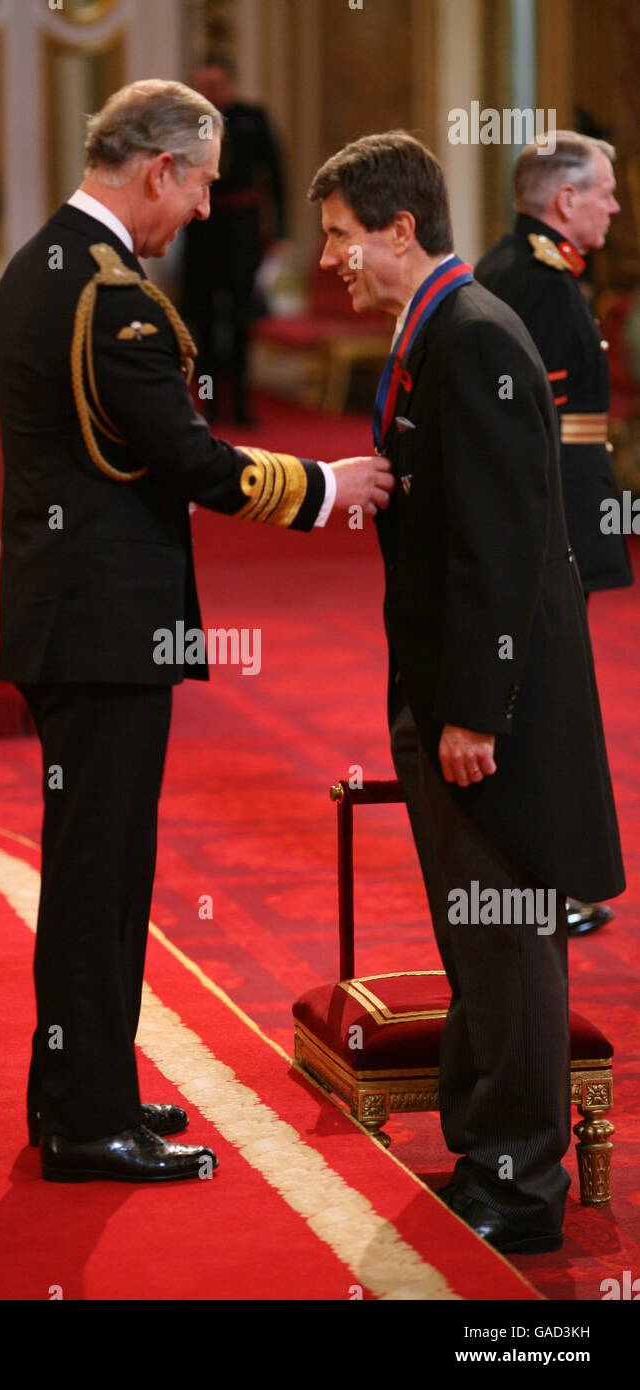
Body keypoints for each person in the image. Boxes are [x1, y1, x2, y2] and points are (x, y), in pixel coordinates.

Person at [0, 80, 393, 1184]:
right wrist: (327, 485)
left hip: (77, 617)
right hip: (102, 630)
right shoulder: (109, 297)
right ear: (158, 168)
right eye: (204, 183)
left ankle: (88, 1090)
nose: (209, 209)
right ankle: (81, 1122)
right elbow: (196, 462)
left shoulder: (47, 265)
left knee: (103, 873)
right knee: (96, 878)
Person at [309, 131, 625, 1252]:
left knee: (509, 937)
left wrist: (469, 715)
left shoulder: (474, 332)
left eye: (342, 236)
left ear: (401, 230)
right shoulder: (439, 327)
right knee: (474, 938)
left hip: (490, 711)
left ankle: (522, 1187)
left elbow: (501, 547)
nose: (328, 258)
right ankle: (485, 1152)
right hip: (447, 690)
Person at [476, 131, 632, 937]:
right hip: (548, 529)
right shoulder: (534, 282)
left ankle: (545, 886)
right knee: (540, 710)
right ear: (564, 201)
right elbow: (516, 432)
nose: (614, 203)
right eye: (603, 190)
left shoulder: (541, 271)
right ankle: (536, 892)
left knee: (552, 706)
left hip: (561, 523)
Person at [181, 57, 286, 425]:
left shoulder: (252, 117)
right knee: (204, 321)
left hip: (242, 227)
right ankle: (209, 403)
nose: (210, 91)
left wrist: (281, 232)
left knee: (242, 319)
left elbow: (276, 175)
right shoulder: (185, 122)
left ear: (230, 84)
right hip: (200, 227)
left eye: (216, 83)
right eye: (202, 83)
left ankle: (242, 405)